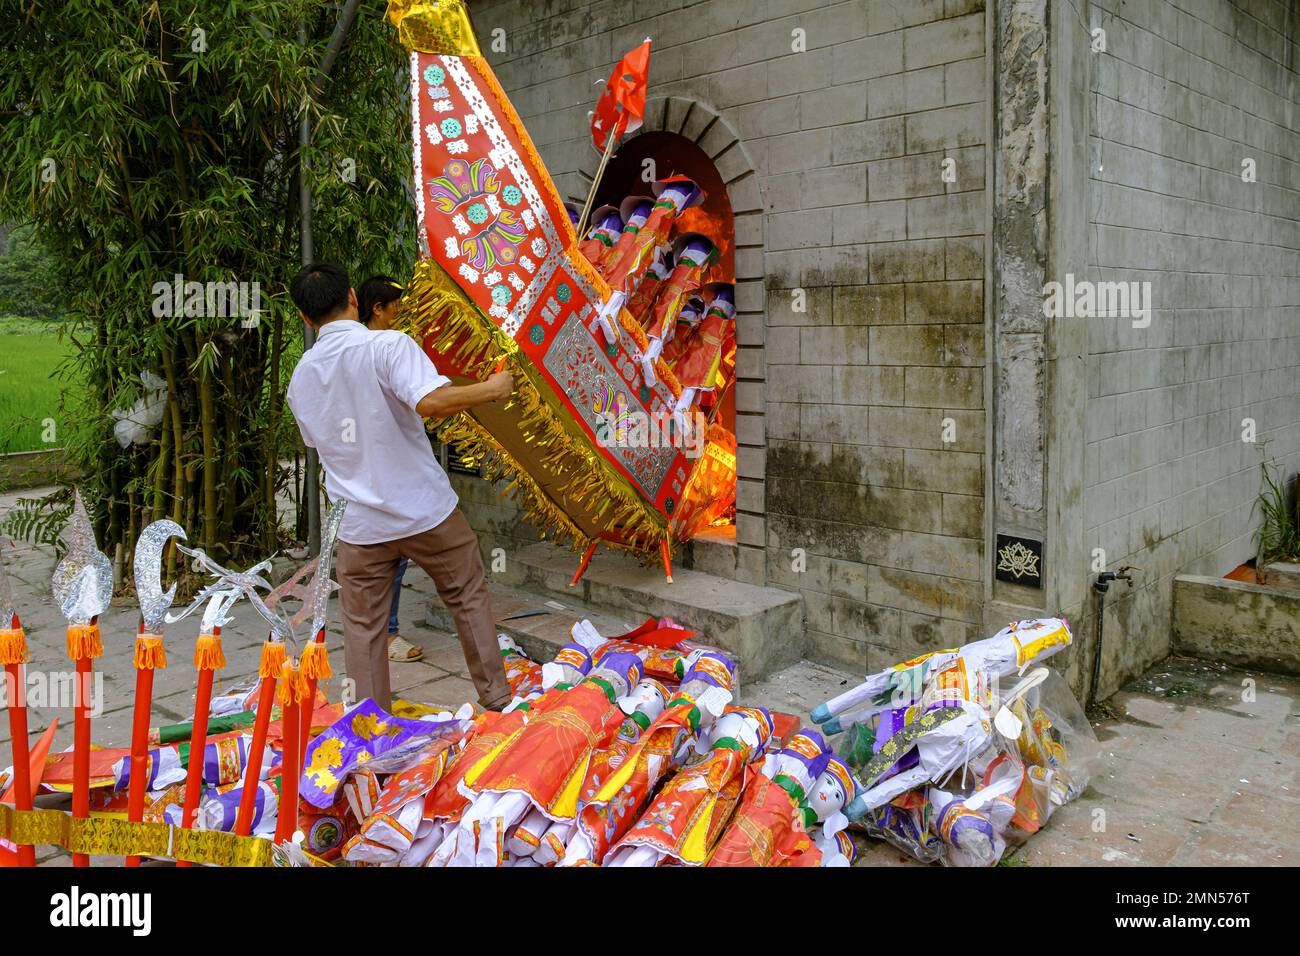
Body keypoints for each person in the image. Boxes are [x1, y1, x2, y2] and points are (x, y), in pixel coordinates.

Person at [286, 262, 514, 710]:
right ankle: (498, 701)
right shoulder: (387, 346)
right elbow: (429, 401)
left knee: (364, 627)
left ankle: (371, 728)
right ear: (353, 297)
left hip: (359, 525)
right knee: (467, 596)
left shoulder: (301, 378)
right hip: (423, 510)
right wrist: (491, 388)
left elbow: (319, 444)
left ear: (305, 318)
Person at [356, 275, 420, 664]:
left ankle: (379, 631)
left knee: (390, 555)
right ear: (377, 308)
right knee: (391, 556)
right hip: (379, 468)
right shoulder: (384, 345)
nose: (402, 311)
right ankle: (387, 633)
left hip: (379, 465)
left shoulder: (368, 347)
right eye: (395, 304)